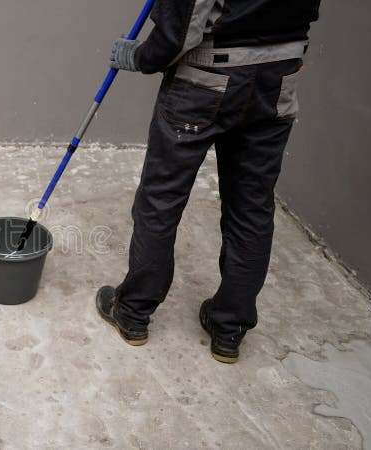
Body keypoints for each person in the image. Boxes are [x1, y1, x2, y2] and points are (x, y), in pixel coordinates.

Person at [96, 0, 321, 363]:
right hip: (278, 76)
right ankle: (229, 330)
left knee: (160, 200)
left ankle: (133, 313)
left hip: (206, 80)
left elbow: (179, 31)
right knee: (252, 208)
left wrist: (140, 57)